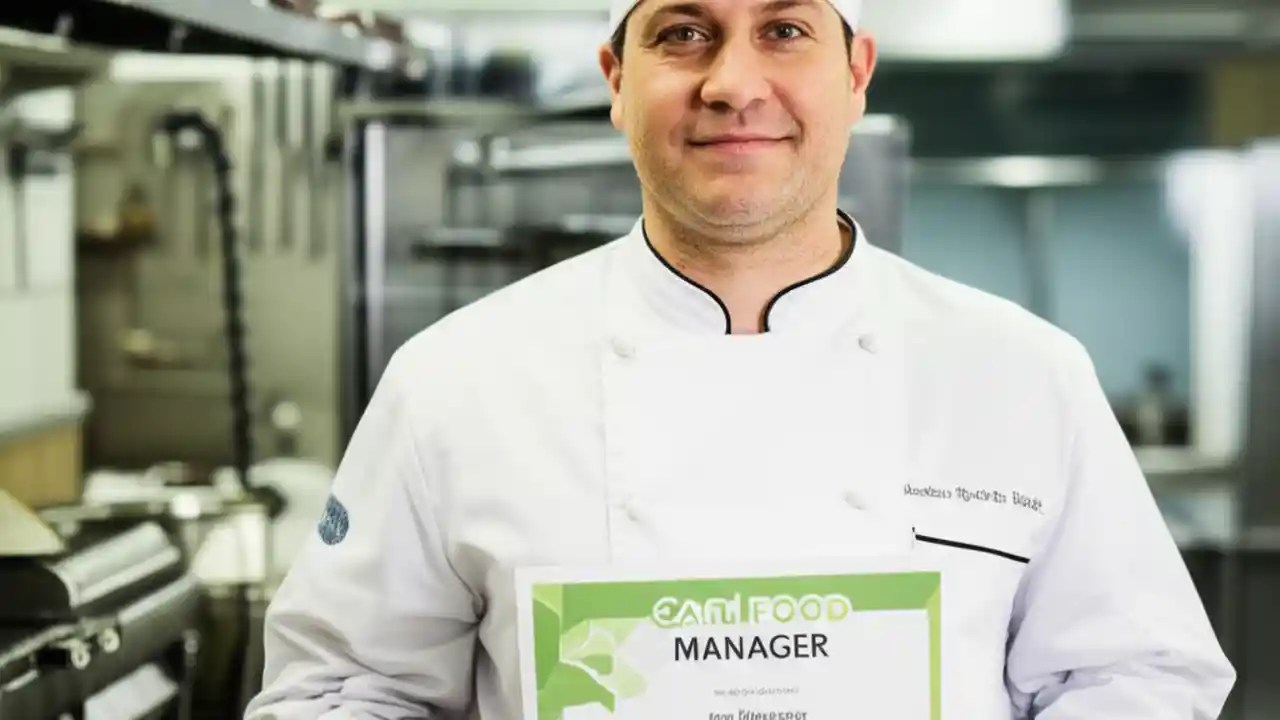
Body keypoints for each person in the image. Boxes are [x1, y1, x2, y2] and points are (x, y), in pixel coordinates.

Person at [246, 0, 1236, 717]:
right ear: (614, 81)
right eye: (682, 32)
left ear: (855, 74)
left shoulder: (1023, 374)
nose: (731, 83)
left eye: (783, 29)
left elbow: (1135, 677)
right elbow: (340, 691)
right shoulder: (454, 382)